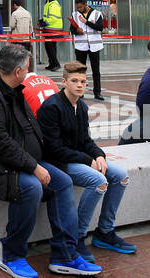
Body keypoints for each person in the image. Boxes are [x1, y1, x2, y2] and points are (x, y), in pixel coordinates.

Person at [0, 44, 101, 278]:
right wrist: (33, 166)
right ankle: (11, 254)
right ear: (18, 71)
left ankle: (64, 255)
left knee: (61, 181)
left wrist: (41, 159)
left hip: (13, 158)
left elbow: (29, 128)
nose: (30, 72)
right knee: (31, 187)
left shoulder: (12, 88)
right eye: (27, 68)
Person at [37, 62, 136, 257]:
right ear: (64, 82)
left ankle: (105, 231)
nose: (79, 85)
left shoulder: (80, 106)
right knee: (98, 181)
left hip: (75, 159)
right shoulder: (52, 107)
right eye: (74, 81)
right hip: (57, 163)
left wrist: (99, 155)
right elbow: (53, 149)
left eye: (83, 81)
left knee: (121, 176)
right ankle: (78, 237)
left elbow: (85, 141)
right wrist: (86, 160)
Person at [69, 0, 104, 100]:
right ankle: (80, 92)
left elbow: (100, 28)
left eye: (80, 7)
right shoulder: (75, 15)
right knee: (80, 71)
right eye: (77, 7)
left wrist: (86, 22)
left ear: (85, 4)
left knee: (96, 71)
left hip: (94, 46)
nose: (79, 9)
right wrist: (77, 31)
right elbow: (71, 29)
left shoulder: (97, 14)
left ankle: (97, 92)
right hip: (80, 46)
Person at [41, 0, 64, 71]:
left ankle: (56, 64)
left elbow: (53, 18)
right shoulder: (48, 4)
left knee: (51, 48)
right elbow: (47, 16)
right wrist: (42, 21)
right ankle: (52, 63)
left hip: (53, 29)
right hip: (49, 29)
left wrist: (44, 23)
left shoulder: (53, 5)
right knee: (49, 47)